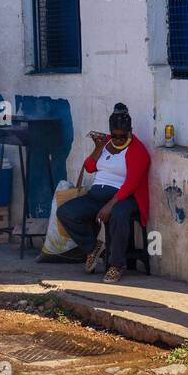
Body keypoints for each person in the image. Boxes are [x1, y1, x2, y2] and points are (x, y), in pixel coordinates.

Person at [56, 103, 150, 284]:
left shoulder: (138, 150)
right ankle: (93, 247)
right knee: (66, 212)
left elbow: (131, 184)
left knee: (117, 214)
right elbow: (89, 167)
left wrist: (110, 204)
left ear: (130, 131)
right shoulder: (106, 142)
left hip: (125, 197)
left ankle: (116, 265)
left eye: (123, 136)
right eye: (115, 135)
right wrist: (98, 148)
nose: (119, 139)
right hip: (97, 196)